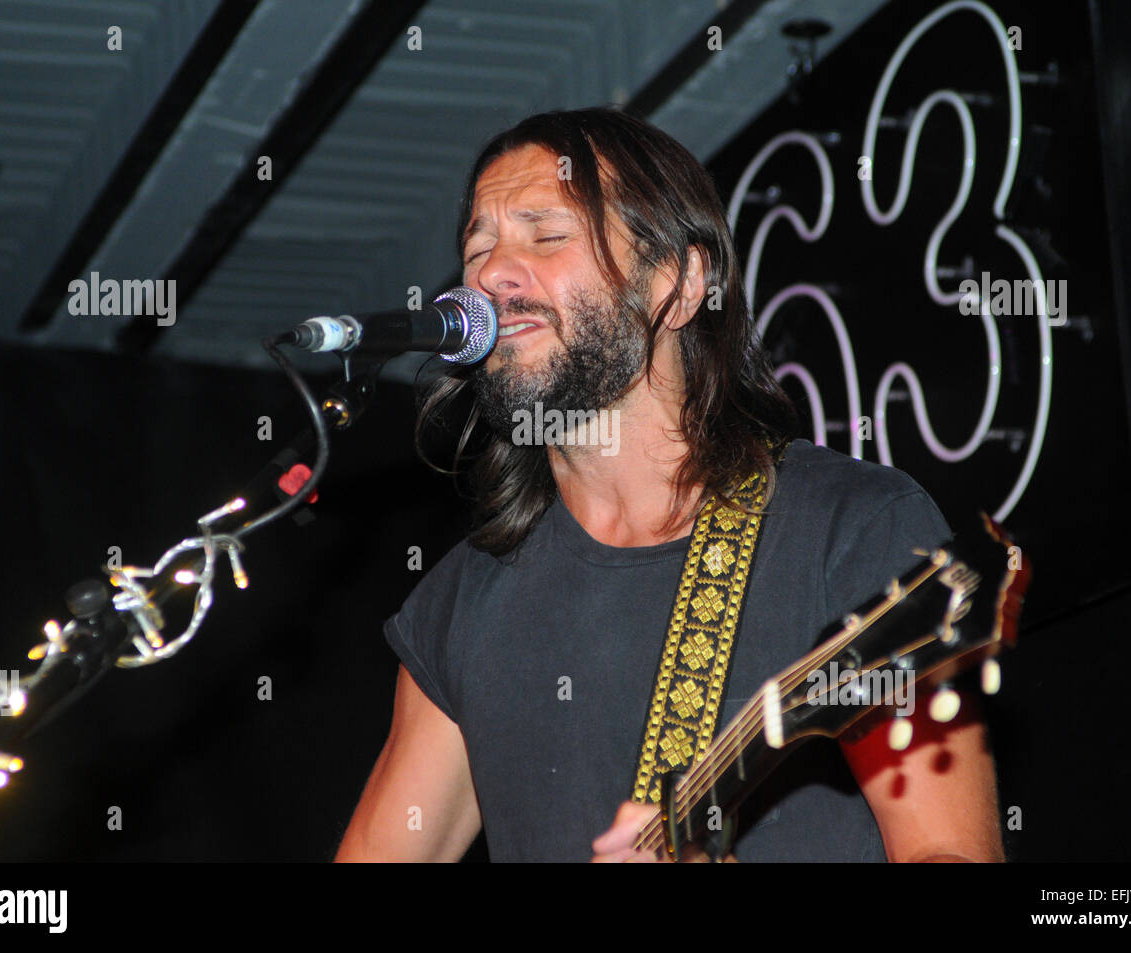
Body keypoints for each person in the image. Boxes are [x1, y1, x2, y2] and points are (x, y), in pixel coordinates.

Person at [335, 107, 1003, 863]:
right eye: (477, 246)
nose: (489, 273)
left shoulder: (851, 527)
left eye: (546, 235)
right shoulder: (462, 604)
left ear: (680, 285)